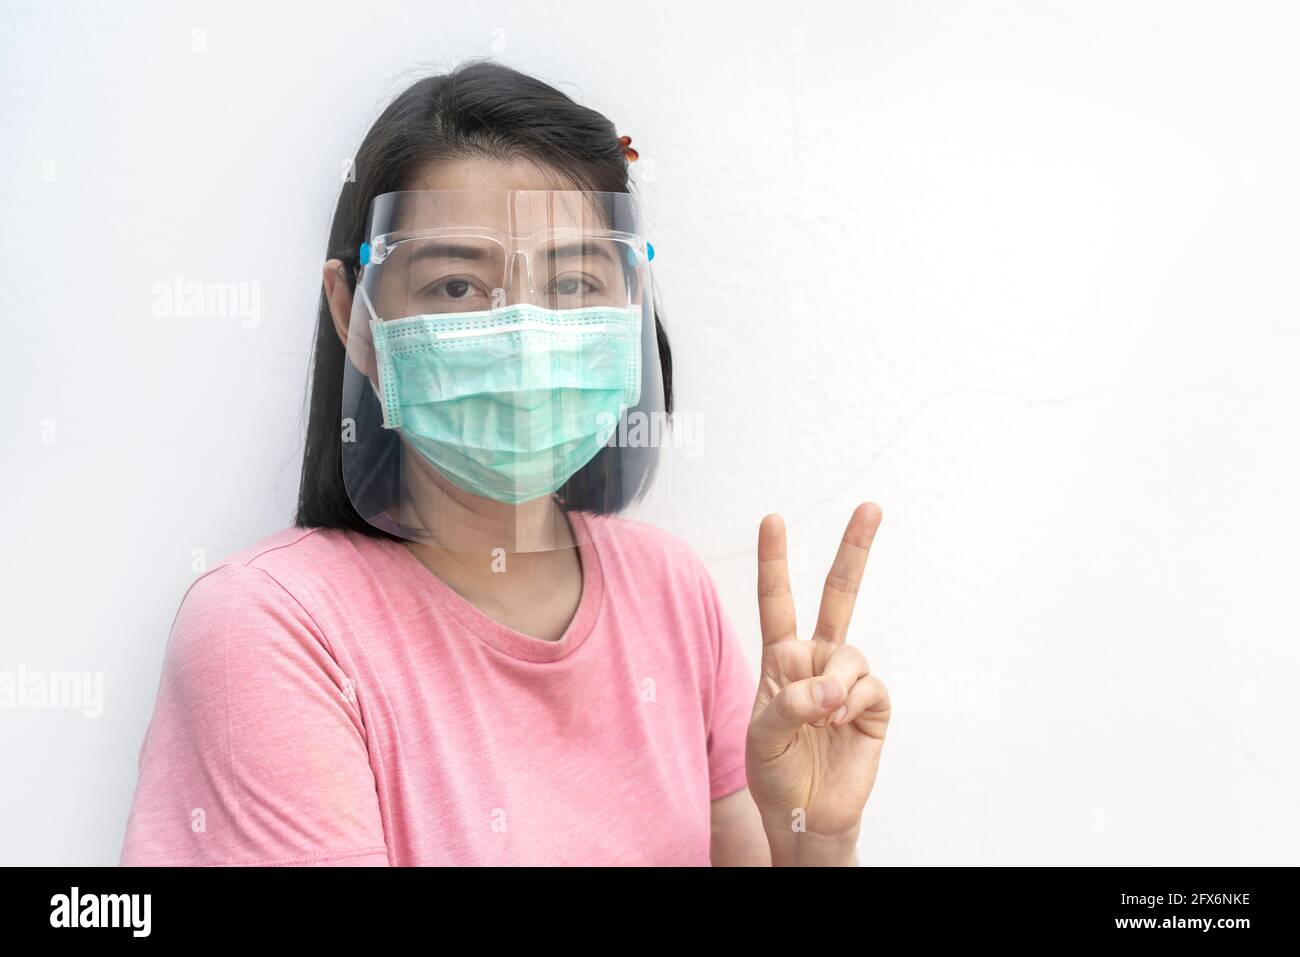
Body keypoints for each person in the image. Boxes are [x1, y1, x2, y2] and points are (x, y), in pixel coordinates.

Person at [119, 60, 889, 867]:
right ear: (355, 312)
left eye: (572, 282)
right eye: (456, 285)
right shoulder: (274, 629)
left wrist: (816, 841)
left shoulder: (670, 590)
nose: (523, 333)